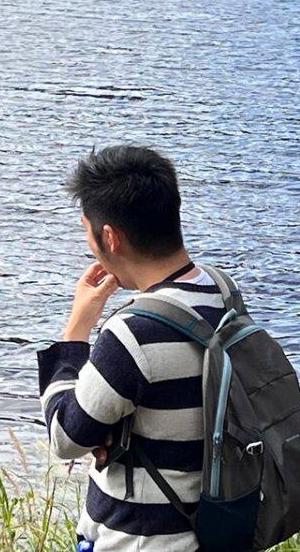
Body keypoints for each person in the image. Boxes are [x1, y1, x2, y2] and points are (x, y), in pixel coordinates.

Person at [40, 145, 237, 552]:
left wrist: (75, 334)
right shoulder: (224, 294)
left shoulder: (132, 335)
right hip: (217, 532)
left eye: (87, 230)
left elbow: (65, 436)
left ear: (110, 237)